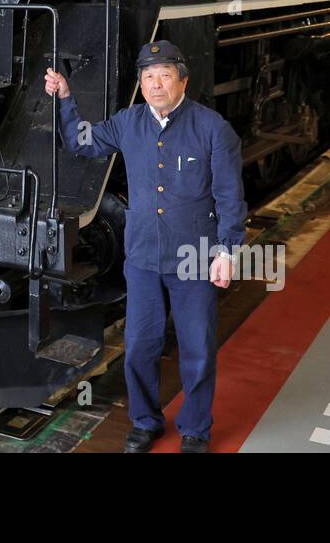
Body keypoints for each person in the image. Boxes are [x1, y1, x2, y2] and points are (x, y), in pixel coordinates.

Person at [45, 41, 247, 454]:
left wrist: (228, 251)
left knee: (197, 350)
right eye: (148, 77)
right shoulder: (128, 122)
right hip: (142, 258)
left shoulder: (212, 129)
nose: (156, 84)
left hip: (194, 259)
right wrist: (66, 98)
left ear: (183, 81)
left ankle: (195, 430)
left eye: (165, 76)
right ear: (141, 83)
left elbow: (230, 197)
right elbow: (81, 142)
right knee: (140, 346)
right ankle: (145, 421)